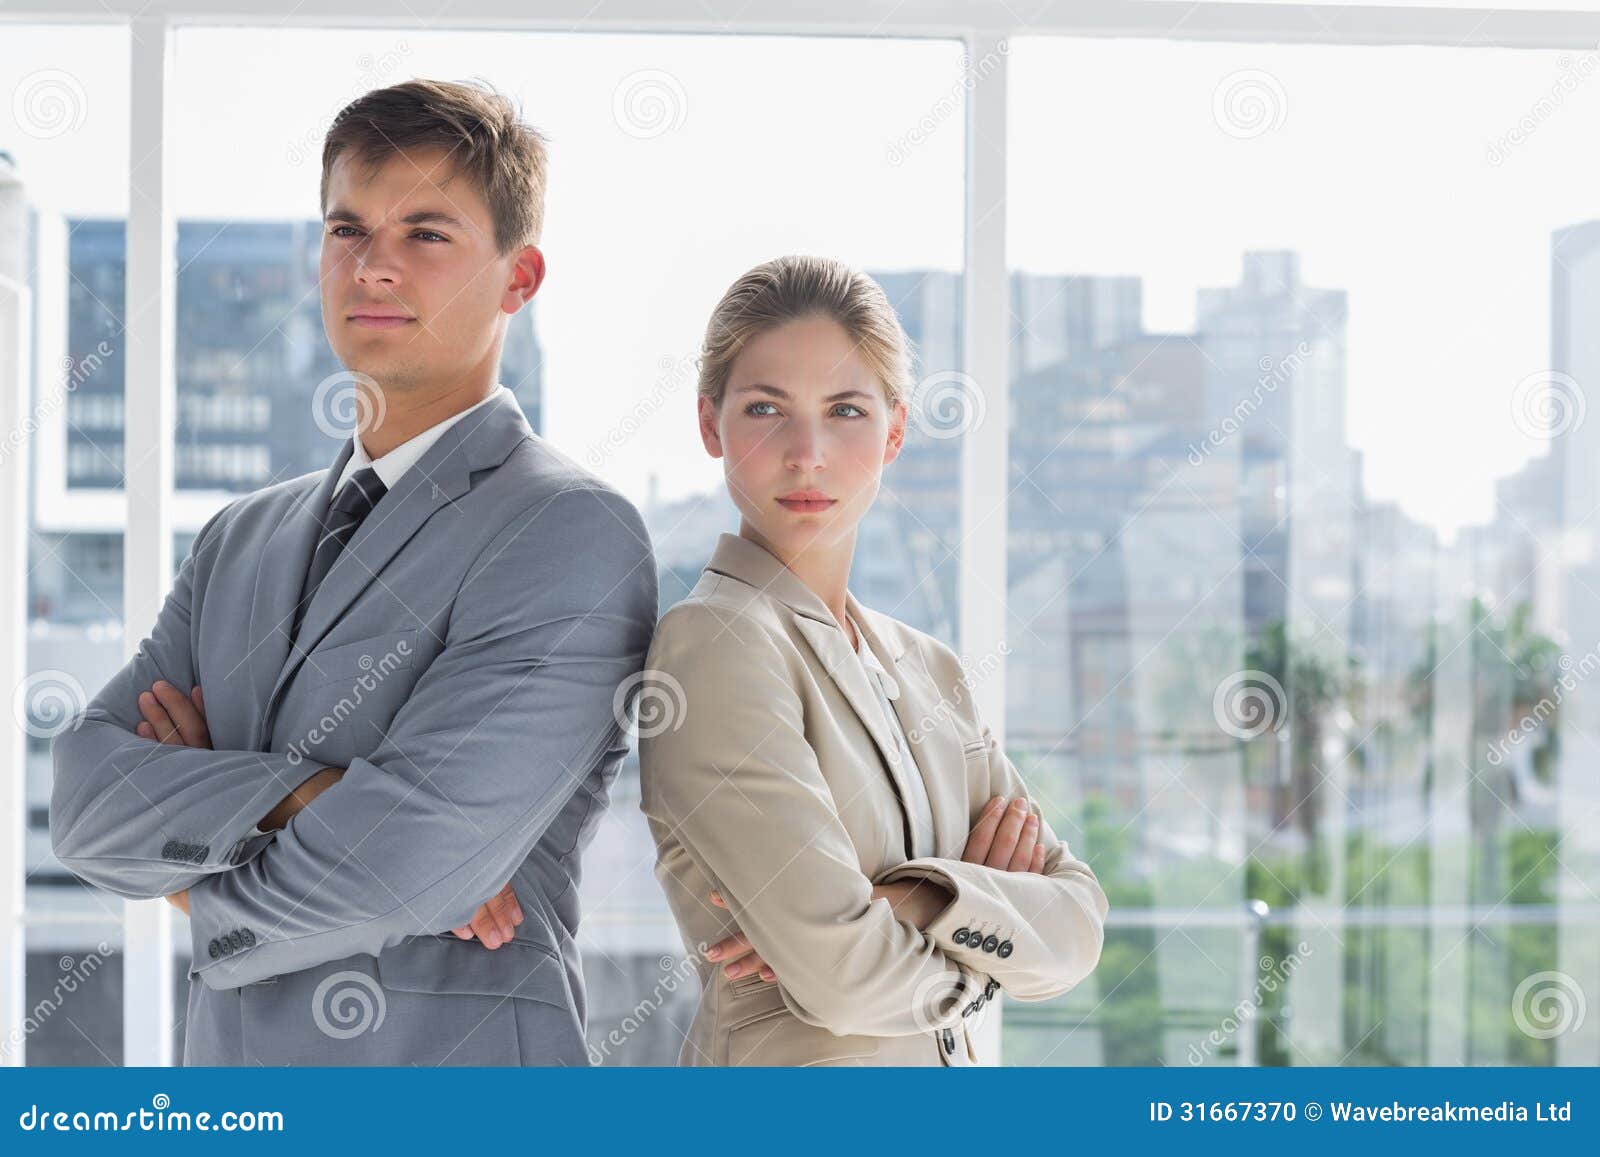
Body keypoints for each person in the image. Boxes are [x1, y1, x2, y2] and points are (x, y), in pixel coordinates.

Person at [49, 79, 658, 1066]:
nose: (372, 265)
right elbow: (83, 799)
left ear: (519, 276)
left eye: (424, 233)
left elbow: (411, 863)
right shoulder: (238, 537)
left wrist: (194, 865)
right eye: (347, 229)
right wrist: (312, 792)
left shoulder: (568, 530)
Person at [638, 254, 1108, 1066]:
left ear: (894, 431)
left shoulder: (931, 668)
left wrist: (915, 897)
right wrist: (988, 944)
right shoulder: (714, 645)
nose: (806, 451)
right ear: (711, 424)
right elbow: (845, 980)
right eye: (765, 408)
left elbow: (1077, 928)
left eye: (846, 410)